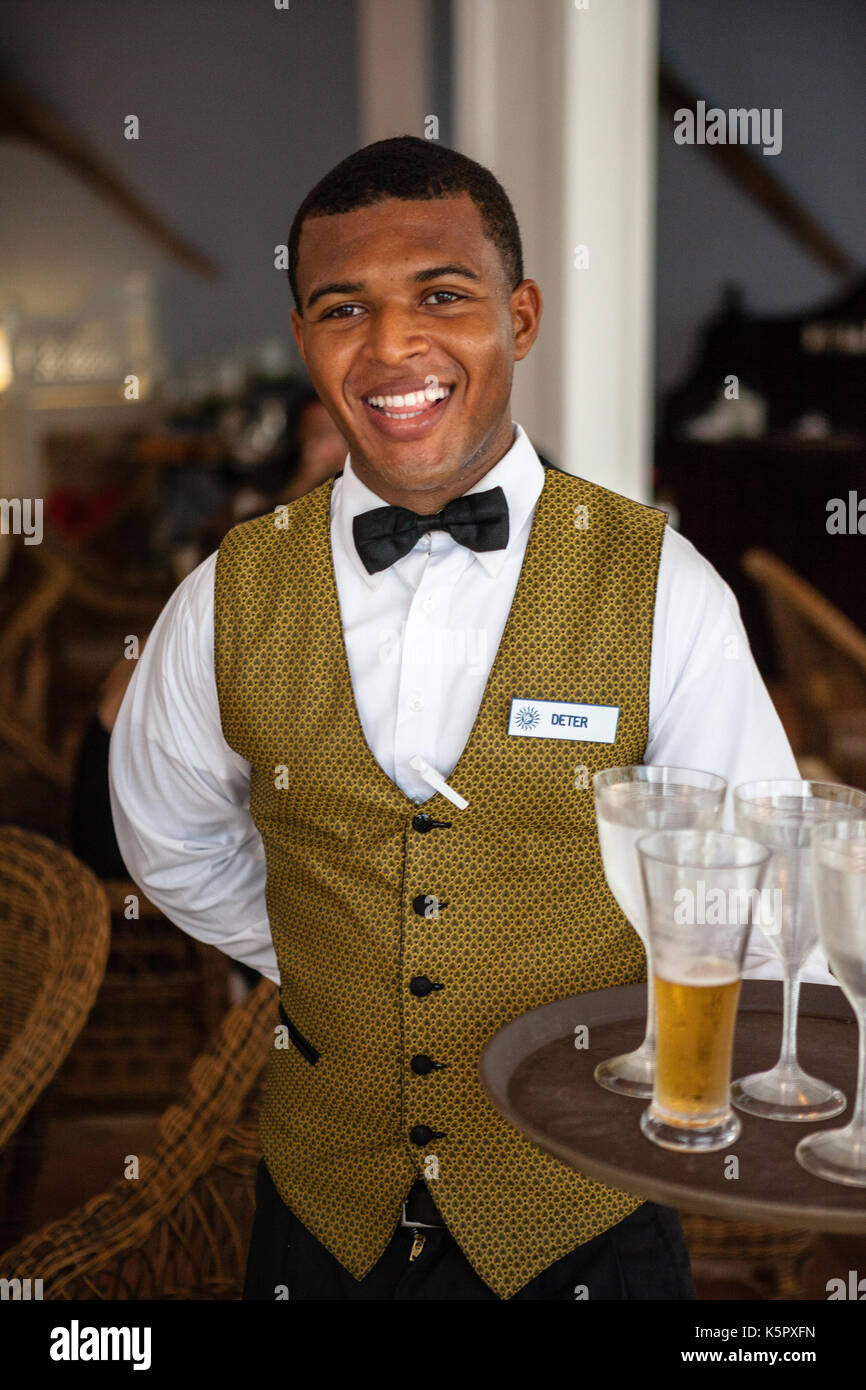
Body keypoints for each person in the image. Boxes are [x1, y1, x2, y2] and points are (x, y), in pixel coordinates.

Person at [109, 134, 831, 1302]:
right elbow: (170, 843)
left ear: (520, 316)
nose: (392, 346)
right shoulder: (222, 596)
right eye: (343, 309)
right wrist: (344, 960)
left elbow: (746, 895)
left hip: (583, 1215)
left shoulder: (662, 586)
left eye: (440, 296)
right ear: (304, 341)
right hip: (318, 1221)